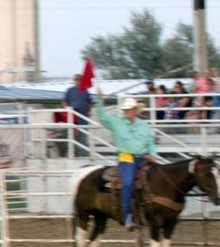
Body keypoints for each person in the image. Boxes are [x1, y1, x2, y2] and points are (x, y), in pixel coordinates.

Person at [93, 91, 158, 229]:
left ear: (135, 110)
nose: (127, 112)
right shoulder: (116, 122)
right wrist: (100, 101)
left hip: (142, 157)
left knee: (157, 178)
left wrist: (153, 153)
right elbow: (102, 117)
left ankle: (154, 211)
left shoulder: (143, 125)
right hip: (126, 157)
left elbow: (150, 142)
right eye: (126, 110)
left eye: (129, 109)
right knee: (127, 183)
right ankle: (127, 216)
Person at [62, 73, 92, 152]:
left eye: (80, 80)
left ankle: (83, 151)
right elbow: (65, 101)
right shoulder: (70, 90)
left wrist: (88, 111)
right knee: (72, 134)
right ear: (74, 81)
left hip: (83, 115)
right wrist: (67, 110)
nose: (78, 82)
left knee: (83, 133)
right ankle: (72, 151)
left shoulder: (85, 91)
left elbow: (89, 102)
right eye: (77, 80)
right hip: (72, 116)